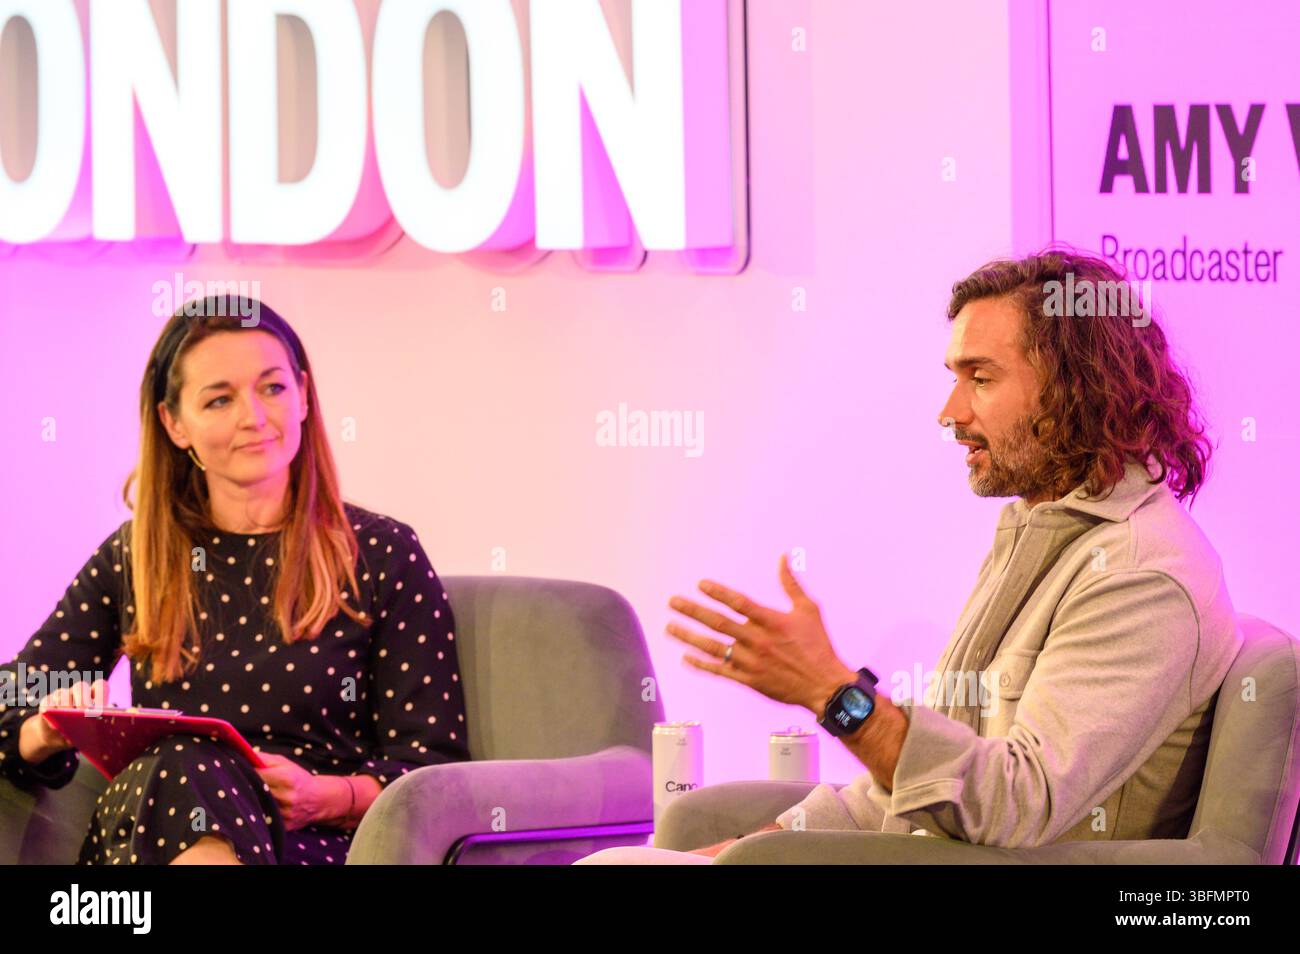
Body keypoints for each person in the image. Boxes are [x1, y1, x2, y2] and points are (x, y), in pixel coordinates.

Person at [576, 248, 1241, 864]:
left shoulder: (1140, 574)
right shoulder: (1039, 531)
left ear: (1075, 387)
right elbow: (922, 786)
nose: (950, 412)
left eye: (981, 378)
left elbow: (1016, 803)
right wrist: (746, 849)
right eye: (955, 378)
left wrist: (834, 694)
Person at [0, 295, 470, 865]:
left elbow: (431, 768)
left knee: (179, 772)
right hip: (152, 829)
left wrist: (327, 796)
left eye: (272, 388)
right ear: (174, 424)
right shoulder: (136, 557)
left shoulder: (381, 553)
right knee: (179, 766)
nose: (253, 417)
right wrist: (46, 730)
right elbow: (12, 697)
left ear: (302, 394)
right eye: (220, 399)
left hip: (311, 844)